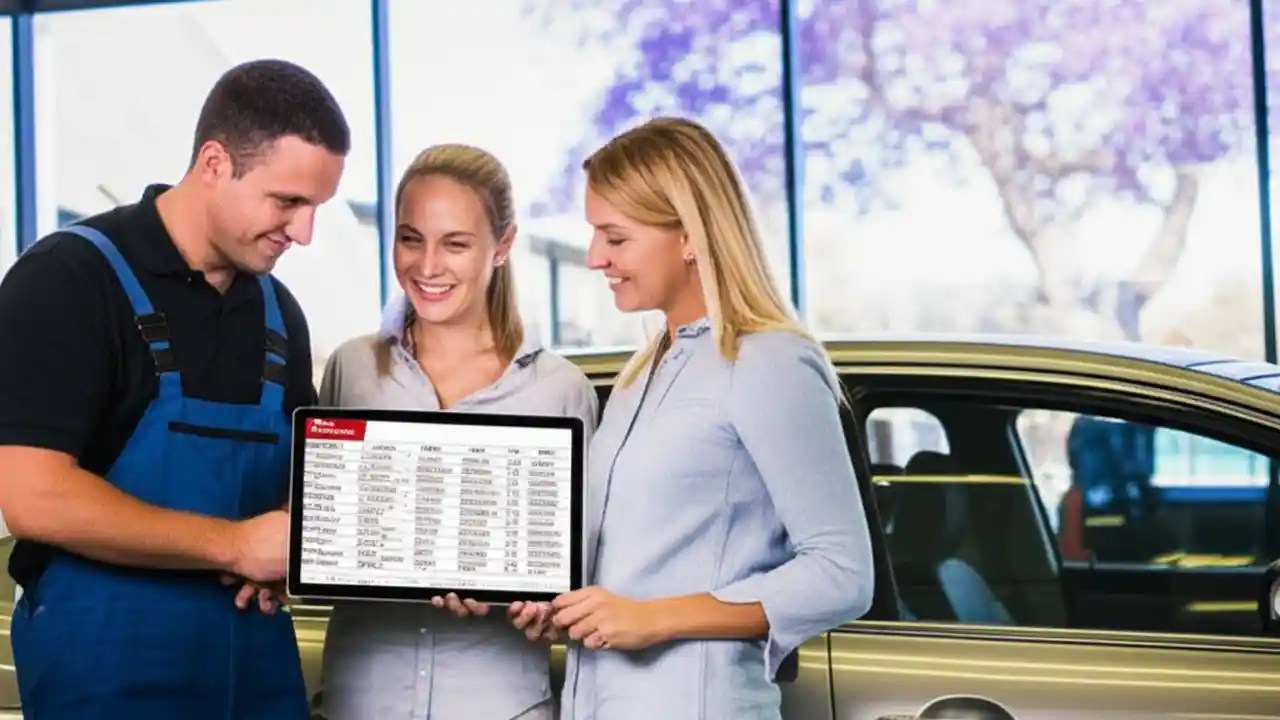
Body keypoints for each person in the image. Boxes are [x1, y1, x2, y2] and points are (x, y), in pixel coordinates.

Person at [0, 59, 349, 718]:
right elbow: (32, 495)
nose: (304, 233)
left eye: (316, 208)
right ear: (214, 162)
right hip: (104, 671)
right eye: (288, 202)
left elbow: (293, 498)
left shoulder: (280, 314)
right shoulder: (67, 280)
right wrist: (237, 545)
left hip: (256, 668)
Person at [542, 117, 875, 718]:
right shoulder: (641, 373)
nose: (595, 258)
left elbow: (842, 573)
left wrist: (653, 619)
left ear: (690, 236)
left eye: (615, 238)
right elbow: (636, 561)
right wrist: (559, 607)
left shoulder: (768, 361)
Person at [317, 143, 598, 720]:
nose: (427, 266)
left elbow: (586, 573)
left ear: (505, 245)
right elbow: (327, 532)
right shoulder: (350, 370)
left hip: (501, 704)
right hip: (364, 700)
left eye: (456, 244)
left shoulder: (560, 390)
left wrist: (548, 609)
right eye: (411, 238)